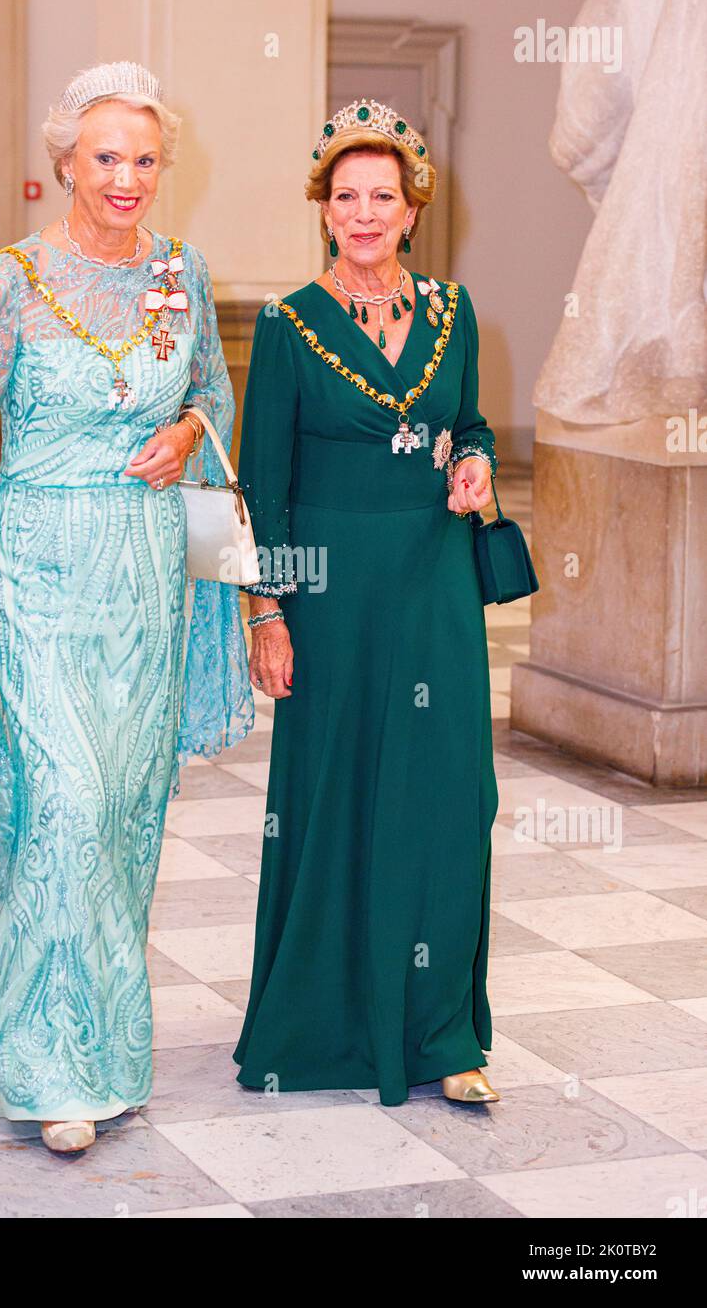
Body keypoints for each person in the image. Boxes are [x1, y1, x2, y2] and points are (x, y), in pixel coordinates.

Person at [0, 60, 253, 1153]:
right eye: (107, 157)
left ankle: (98, 1042)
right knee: (59, 801)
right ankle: (44, 1065)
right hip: (33, 565)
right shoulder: (13, 278)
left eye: (146, 159)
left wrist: (193, 432)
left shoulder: (183, 272)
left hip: (146, 570)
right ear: (65, 159)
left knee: (120, 812)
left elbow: (212, 387)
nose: (128, 178)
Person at [232, 99, 501, 1108]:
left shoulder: (454, 311)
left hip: (433, 587)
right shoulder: (288, 323)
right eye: (346, 196)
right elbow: (260, 483)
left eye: (381, 194)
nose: (364, 212)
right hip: (332, 596)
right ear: (324, 208)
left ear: (411, 204)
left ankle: (442, 1035)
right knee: (337, 796)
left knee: (449, 799)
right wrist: (268, 611)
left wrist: (473, 464)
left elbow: (466, 422)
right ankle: (328, 1027)